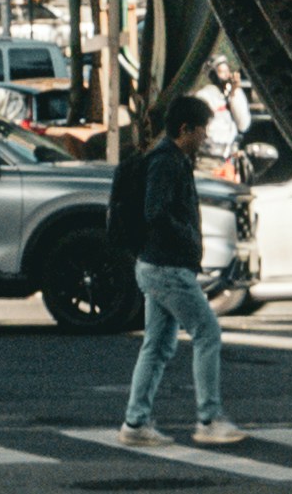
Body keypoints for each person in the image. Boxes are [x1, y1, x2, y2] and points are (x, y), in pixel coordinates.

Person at [103, 92, 244, 447]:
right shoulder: (167, 161)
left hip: (155, 264)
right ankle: (209, 419)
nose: (205, 136)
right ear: (185, 129)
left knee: (157, 346)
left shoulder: (168, 158)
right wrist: (187, 238)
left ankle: (135, 423)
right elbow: (156, 211)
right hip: (168, 266)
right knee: (207, 333)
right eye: (201, 129)